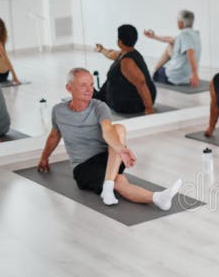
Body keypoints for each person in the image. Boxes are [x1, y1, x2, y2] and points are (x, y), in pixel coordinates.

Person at [37, 67, 182, 209]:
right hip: (84, 166)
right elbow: (54, 136)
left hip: (111, 156)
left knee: (118, 128)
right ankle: (156, 198)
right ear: (69, 88)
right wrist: (44, 158)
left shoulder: (99, 107)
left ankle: (109, 186)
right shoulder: (59, 111)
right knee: (119, 180)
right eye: (83, 85)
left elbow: (107, 130)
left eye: (91, 85)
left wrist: (121, 150)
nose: (90, 89)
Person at [93, 24, 157, 114]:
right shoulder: (125, 53)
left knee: (89, 92)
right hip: (131, 96)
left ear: (119, 41)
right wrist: (102, 49)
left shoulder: (127, 62)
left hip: (133, 104)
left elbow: (141, 84)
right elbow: (111, 54)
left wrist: (149, 108)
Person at [144, 9, 201, 87]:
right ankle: (155, 71)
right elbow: (170, 39)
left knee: (156, 74)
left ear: (181, 22)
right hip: (187, 77)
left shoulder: (184, 35)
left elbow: (190, 52)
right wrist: (154, 36)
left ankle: (154, 73)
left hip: (174, 77)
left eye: (178, 20)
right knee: (171, 45)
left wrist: (195, 74)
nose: (177, 22)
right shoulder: (195, 34)